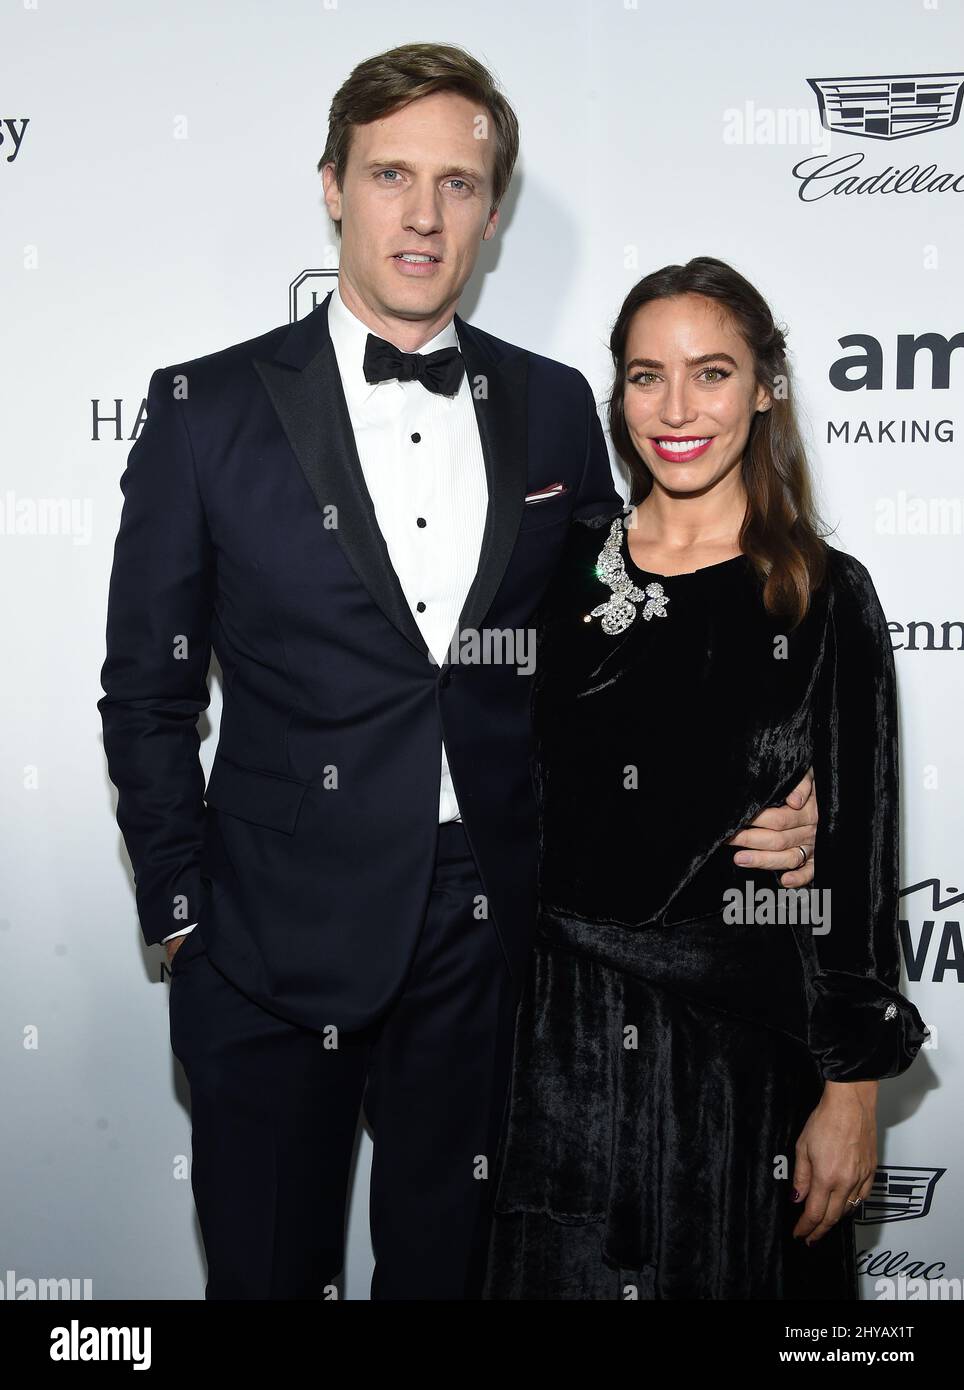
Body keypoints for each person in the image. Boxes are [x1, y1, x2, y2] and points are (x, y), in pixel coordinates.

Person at [97, 44, 819, 1301]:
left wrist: (759, 787)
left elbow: (621, 653)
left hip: (492, 937)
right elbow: (147, 691)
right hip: (266, 930)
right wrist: (181, 912)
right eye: (390, 174)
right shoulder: (205, 408)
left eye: (458, 183)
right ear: (332, 185)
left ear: (493, 208)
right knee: (266, 1276)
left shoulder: (550, 409)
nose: (423, 215)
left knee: (454, 1280)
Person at [483, 257, 929, 1301]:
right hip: (551, 1050)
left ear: (766, 386)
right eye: (645, 376)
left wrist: (852, 1089)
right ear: (617, 396)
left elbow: (857, 873)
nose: (676, 409)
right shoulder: (553, 570)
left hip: (740, 1068)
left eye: (711, 373)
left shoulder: (822, 596)